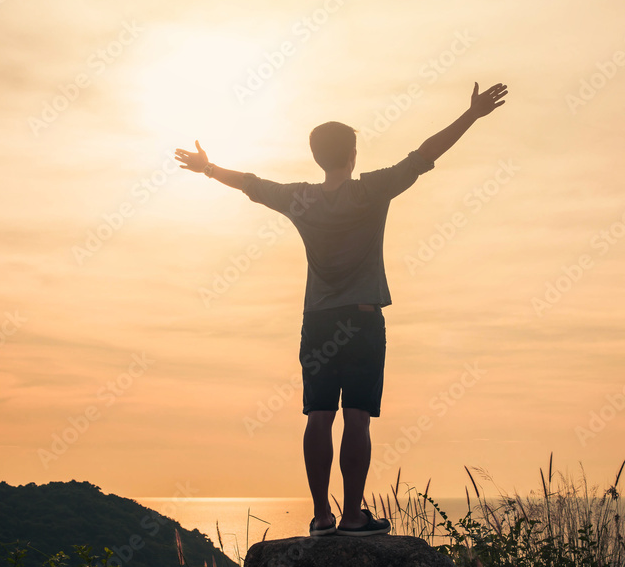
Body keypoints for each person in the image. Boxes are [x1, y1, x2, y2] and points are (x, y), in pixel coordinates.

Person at [176, 81, 507, 536]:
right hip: (364, 320)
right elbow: (425, 153)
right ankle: (352, 516)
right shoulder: (371, 190)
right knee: (356, 417)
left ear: (317, 157)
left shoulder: (301, 198)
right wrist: (470, 115)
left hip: (318, 322)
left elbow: (251, 184)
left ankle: (321, 517)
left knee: (318, 416)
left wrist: (209, 168)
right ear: (352, 155)